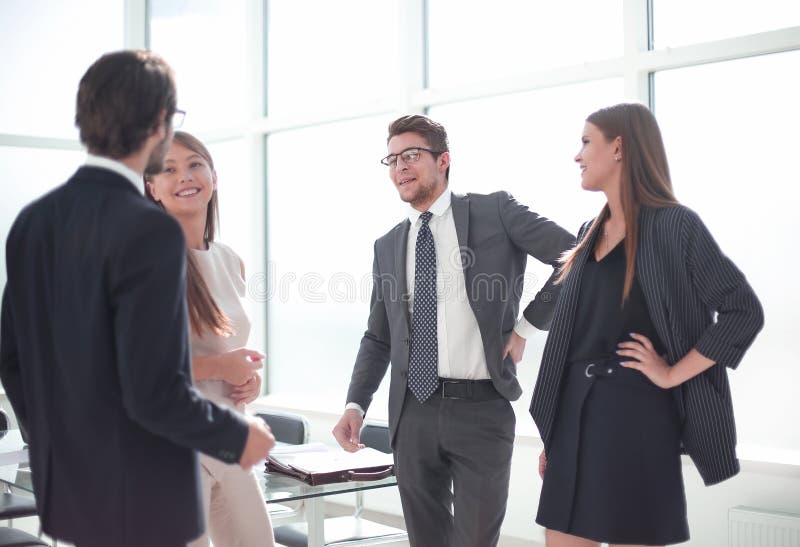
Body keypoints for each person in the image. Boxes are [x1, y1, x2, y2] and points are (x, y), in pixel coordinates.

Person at [0, 50, 275, 547]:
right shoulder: (145, 232)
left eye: (195, 165)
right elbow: (144, 382)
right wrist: (239, 434)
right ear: (158, 124)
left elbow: (16, 358)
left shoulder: (32, 223)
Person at [332, 114, 575, 547]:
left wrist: (525, 327)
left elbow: (574, 257)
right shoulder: (387, 244)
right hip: (413, 415)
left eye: (411, 155)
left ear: (443, 160)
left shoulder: (494, 211)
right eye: (391, 159)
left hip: (481, 411)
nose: (400, 167)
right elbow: (378, 336)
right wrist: (355, 404)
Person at [530, 103, 764, 547]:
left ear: (618, 147)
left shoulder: (676, 225)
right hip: (575, 413)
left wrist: (672, 372)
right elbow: (573, 338)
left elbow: (742, 310)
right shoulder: (588, 231)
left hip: (636, 415)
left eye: (585, 142)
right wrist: (555, 433)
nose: (576, 156)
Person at [144, 131, 275, 547]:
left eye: (195, 164)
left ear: (213, 177)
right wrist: (220, 367)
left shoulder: (228, 259)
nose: (185, 176)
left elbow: (227, 350)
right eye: (169, 169)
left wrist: (246, 380)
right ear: (152, 188)